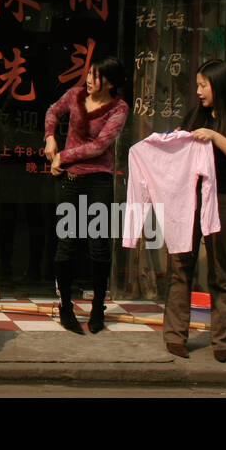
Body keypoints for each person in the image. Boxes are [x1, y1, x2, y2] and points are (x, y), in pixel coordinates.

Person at [165, 59, 226, 362]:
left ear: (218, 85)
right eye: (198, 85)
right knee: (181, 266)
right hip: (189, 197)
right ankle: (176, 335)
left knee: (221, 270)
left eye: (203, 85)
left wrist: (214, 136)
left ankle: (222, 341)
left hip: (222, 198)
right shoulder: (197, 113)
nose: (199, 91)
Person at [43, 56, 130, 334]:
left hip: (99, 183)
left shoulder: (119, 108)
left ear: (111, 82)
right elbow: (52, 111)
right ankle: (65, 306)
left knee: (99, 246)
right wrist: (50, 137)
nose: (89, 79)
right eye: (89, 74)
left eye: (96, 76)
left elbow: (100, 145)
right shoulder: (75, 95)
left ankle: (97, 309)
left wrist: (63, 157)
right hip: (70, 181)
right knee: (66, 243)